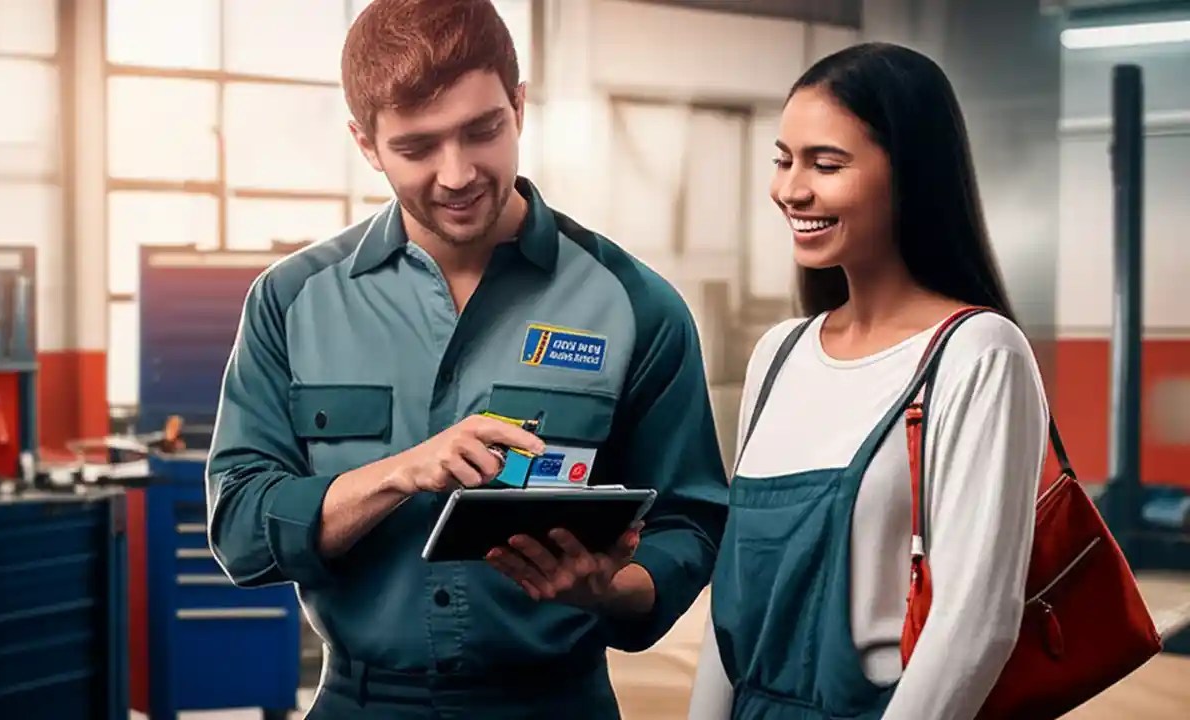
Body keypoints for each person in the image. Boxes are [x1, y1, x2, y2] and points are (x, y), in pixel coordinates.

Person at [204, 1, 728, 718]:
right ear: (367, 144)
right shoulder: (291, 302)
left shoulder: (636, 305)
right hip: (362, 702)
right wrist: (397, 474)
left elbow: (690, 524)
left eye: (482, 131)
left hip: (557, 701)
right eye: (417, 147)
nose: (457, 175)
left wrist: (610, 589)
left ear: (518, 105)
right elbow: (240, 529)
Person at [686, 42, 1050, 720]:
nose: (791, 188)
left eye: (826, 163)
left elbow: (976, 625)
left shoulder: (977, 355)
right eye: (783, 159)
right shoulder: (780, 355)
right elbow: (733, 609)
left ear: (912, 175)